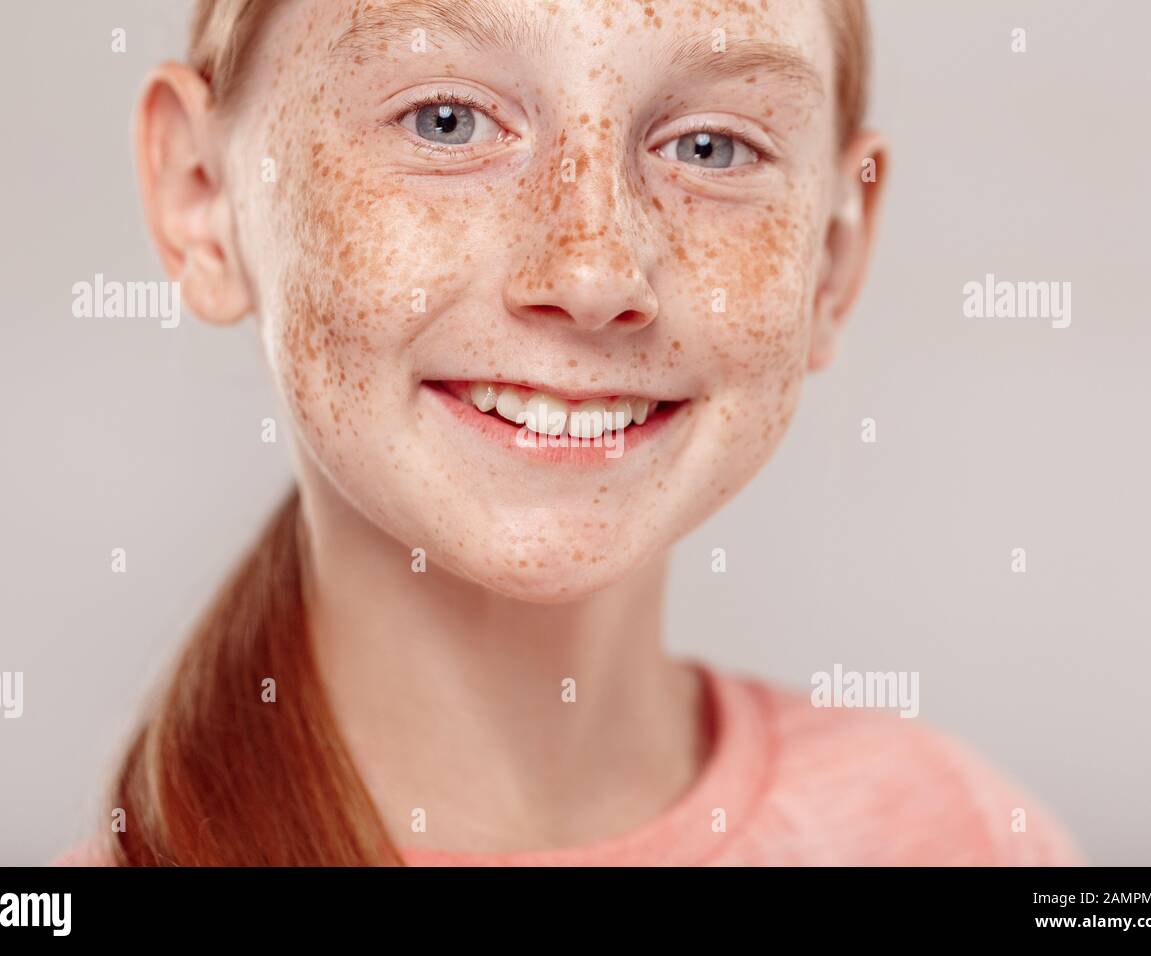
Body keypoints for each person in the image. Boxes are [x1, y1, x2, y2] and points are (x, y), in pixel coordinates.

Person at [55, 0, 1082, 866]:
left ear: (830, 258)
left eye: (709, 147)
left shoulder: (966, 840)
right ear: (201, 192)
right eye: (446, 120)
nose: (591, 271)